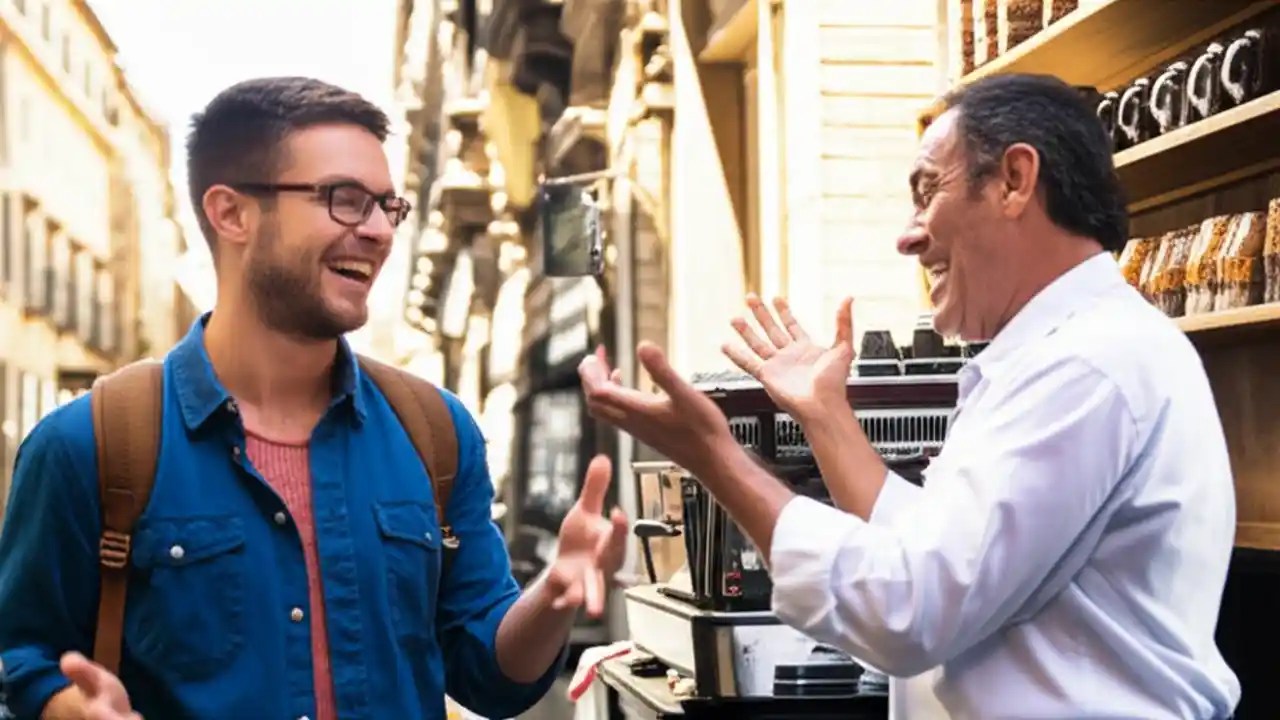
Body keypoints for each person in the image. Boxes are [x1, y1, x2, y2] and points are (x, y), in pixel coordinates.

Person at [579, 73, 1241, 719]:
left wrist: (717, 461)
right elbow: (932, 548)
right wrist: (825, 416)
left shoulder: (1092, 362)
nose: (908, 234)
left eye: (927, 193)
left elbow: (913, 608)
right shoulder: (1060, 351)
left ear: (1014, 180)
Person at [0, 76, 627, 720]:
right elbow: (20, 661)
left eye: (389, 206)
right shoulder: (91, 445)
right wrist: (68, 709)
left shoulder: (436, 433)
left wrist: (553, 594)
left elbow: (490, 680)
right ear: (231, 213)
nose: (381, 231)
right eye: (346, 199)